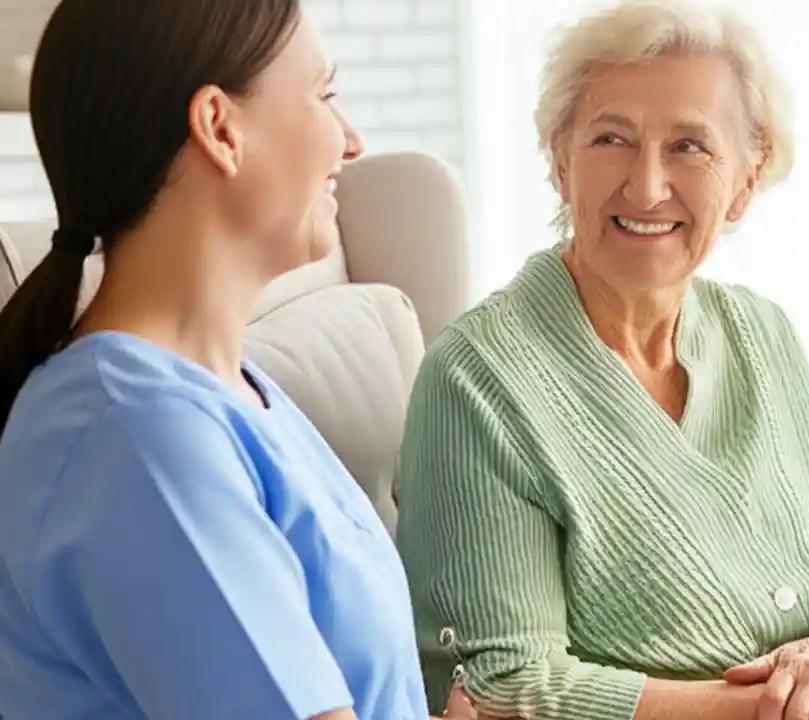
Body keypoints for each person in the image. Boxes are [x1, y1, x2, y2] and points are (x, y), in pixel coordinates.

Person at [396, 2, 809, 720]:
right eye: (611, 139)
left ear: (746, 181)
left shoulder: (760, 332)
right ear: (560, 163)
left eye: (690, 147)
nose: (648, 186)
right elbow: (507, 683)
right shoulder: (477, 378)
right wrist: (787, 710)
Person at [0, 2, 471, 718]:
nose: (351, 141)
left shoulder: (236, 397)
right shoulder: (134, 435)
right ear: (221, 128)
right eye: (324, 95)